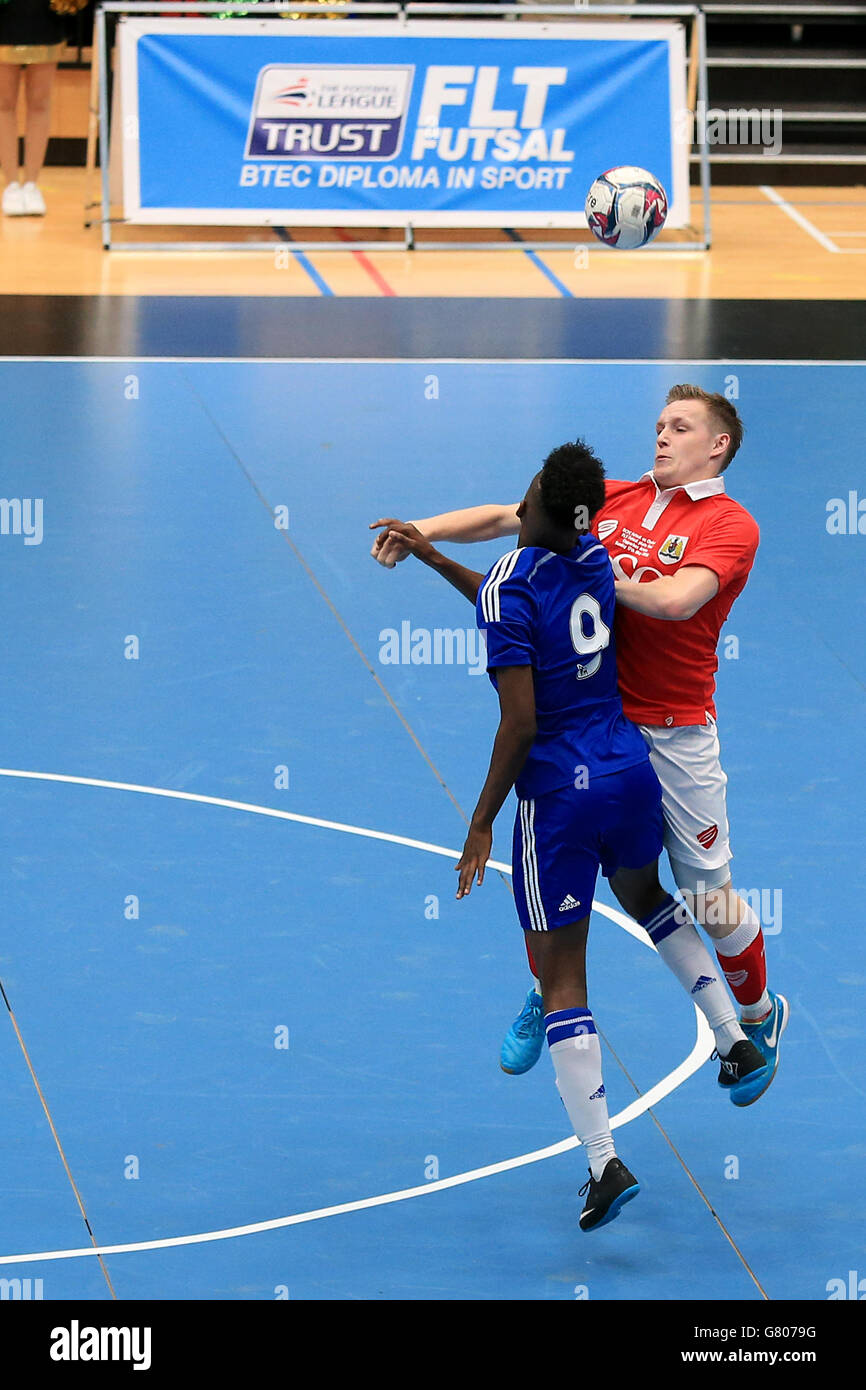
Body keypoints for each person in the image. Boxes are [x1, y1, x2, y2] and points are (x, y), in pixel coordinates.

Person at [380, 440, 767, 1233]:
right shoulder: (595, 556)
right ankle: (733, 1039)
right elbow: (506, 601)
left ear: (537, 505)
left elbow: (517, 716)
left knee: (561, 977)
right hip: (626, 767)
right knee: (650, 897)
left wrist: (481, 820)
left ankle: (604, 1163)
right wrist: (431, 557)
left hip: (557, 793)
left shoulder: (512, 587)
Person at [0, 0, 67, 216]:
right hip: (4, 17)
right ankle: (11, 184)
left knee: (40, 102)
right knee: (4, 103)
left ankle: (31, 184)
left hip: (43, 15)